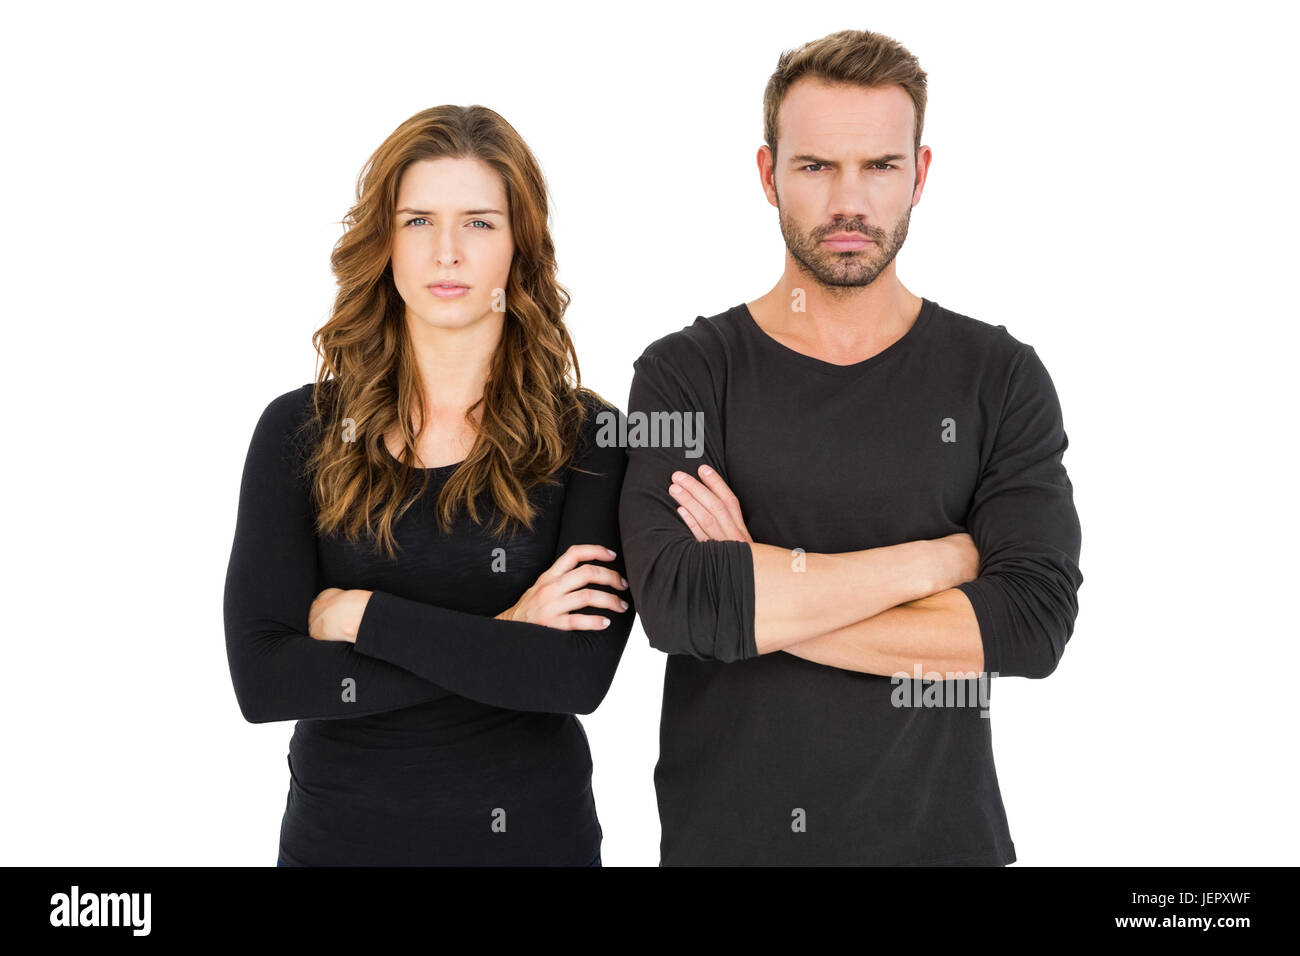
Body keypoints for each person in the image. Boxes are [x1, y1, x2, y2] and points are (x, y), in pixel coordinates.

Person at [618, 28, 1083, 865]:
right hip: (729, 847)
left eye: (879, 166)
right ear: (768, 175)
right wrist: (941, 561)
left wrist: (755, 592)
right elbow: (675, 605)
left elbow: (1032, 625)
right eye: (815, 167)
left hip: (945, 846)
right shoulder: (683, 374)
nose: (849, 202)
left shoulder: (998, 377)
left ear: (921, 175)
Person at [223, 104, 633, 867]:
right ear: (383, 242)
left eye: (479, 222)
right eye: (418, 222)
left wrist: (364, 614)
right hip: (339, 846)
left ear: (520, 244)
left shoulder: (591, 439)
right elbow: (266, 681)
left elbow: (573, 677)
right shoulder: (298, 432)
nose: (447, 252)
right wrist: (507, 634)